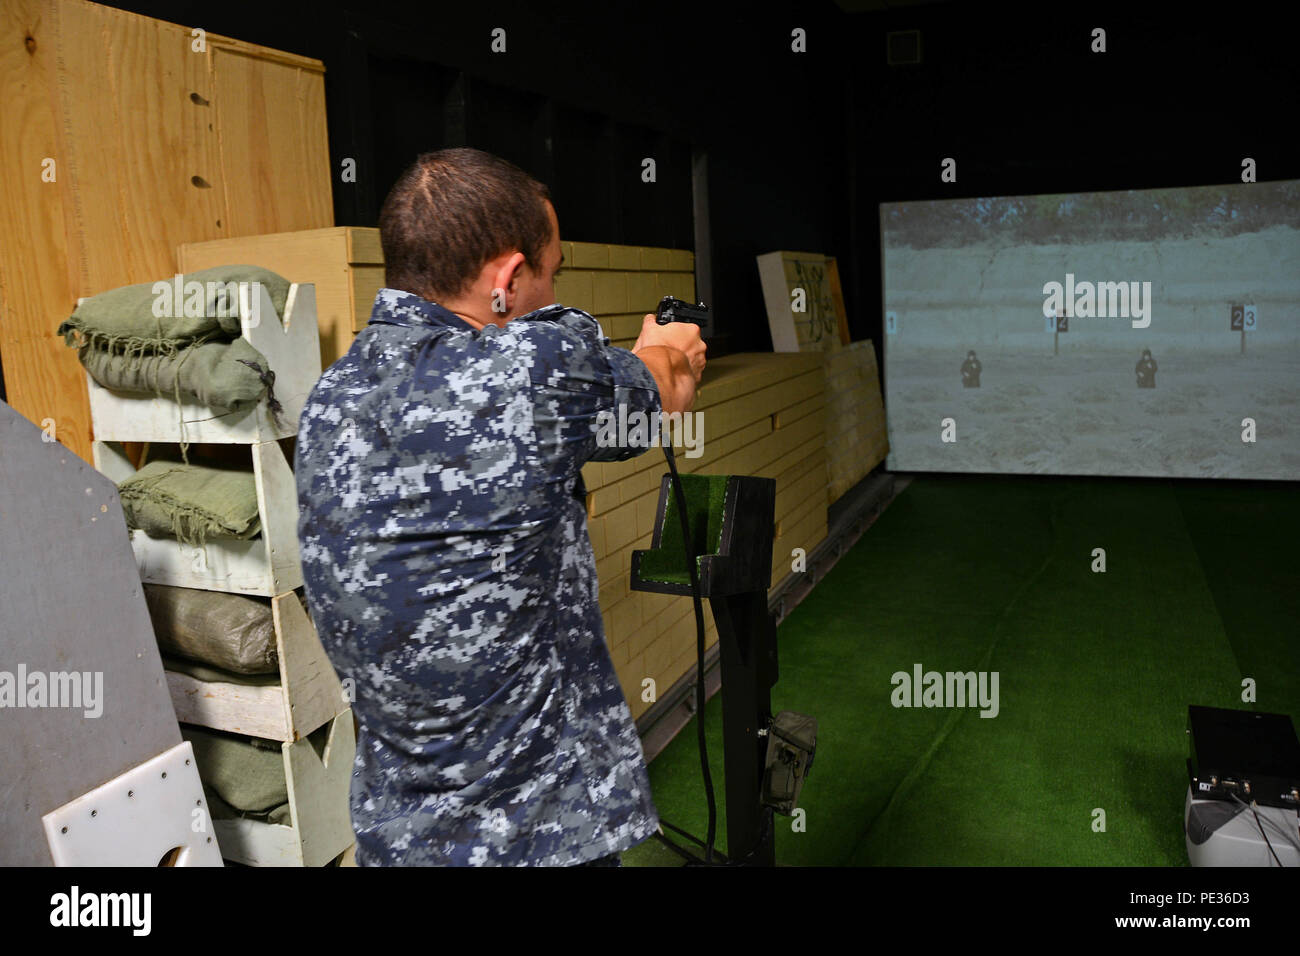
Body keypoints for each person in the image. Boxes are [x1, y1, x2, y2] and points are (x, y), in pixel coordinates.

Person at [294, 148, 706, 866]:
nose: (551, 289)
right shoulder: (535, 375)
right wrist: (668, 347)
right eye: (550, 270)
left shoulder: (331, 397)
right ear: (509, 280)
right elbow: (664, 388)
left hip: (399, 837)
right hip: (532, 837)